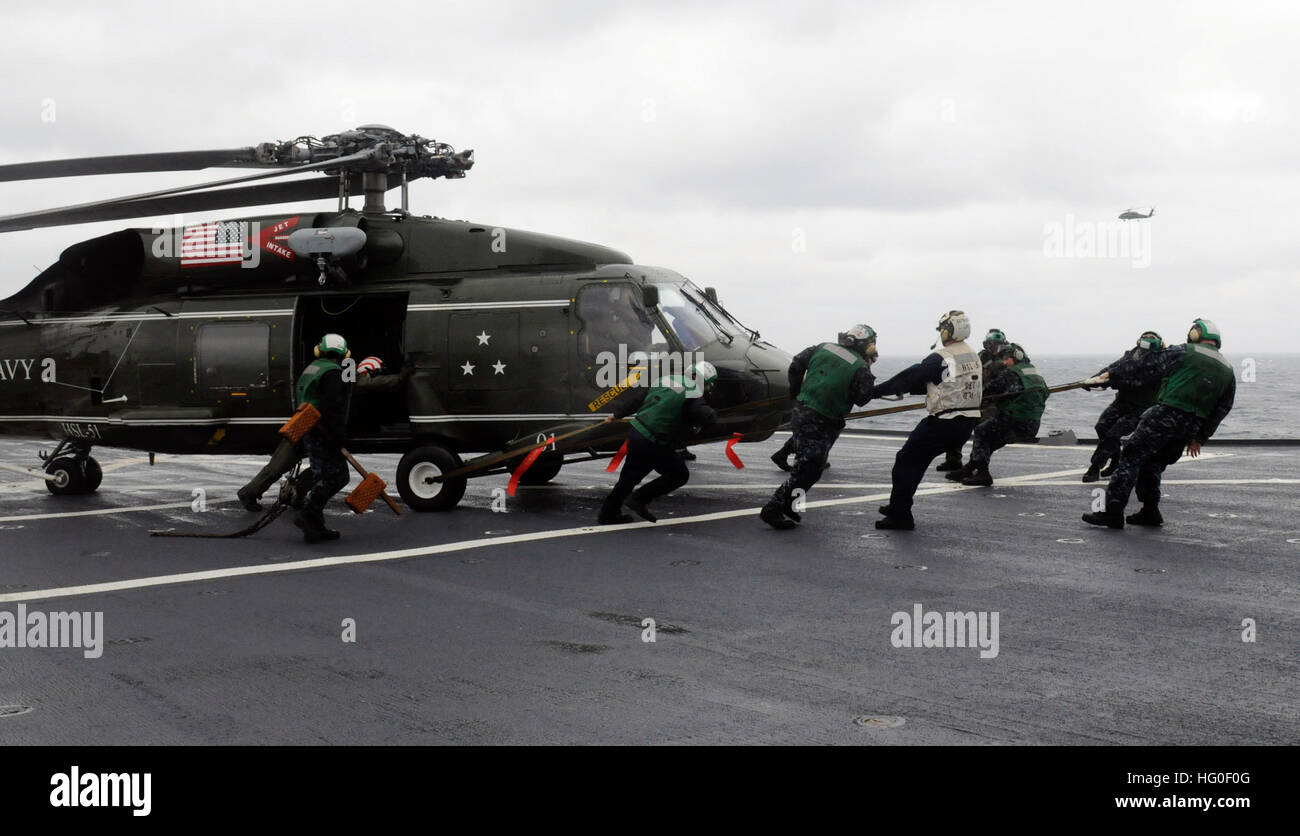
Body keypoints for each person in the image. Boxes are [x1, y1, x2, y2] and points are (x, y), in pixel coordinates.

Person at [1082, 319, 1236, 529]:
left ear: (1195, 334)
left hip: (1165, 415)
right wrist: (1200, 437)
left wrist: (1110, 375)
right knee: (1153, 463)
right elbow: (1222, 408)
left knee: (1131, 457)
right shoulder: (1228, 370)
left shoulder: (1184, 351)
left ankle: (1113, 512)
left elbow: (1146, 364)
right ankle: (1150, 511)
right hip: (1190, 427)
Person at [237, 355, 406, 510]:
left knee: (313, 466)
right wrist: (399, 378)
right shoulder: (346, 372)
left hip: (308, 423)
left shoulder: (322, 368)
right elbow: (367, 384)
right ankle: (250, 492)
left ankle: (294, 494)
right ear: (370, 370)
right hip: (312, 425)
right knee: (286, 465)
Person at [872, 311, 982, 530]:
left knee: (905, 461)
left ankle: (900, 515)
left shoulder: (942, 356)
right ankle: (898, 505)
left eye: (942, 328)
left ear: (948, 330)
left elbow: (912, 376)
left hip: (944, 421)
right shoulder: (972, 355)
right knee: (917, 462)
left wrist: (875, 392)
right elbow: (944, 381)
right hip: (967, 422)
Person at [760, 325, 877, 529]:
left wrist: (796, 391)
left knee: (813, 470)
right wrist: (868, 367)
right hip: (823, 421)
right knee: (806, 469)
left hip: (802, 412)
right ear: (867, 345)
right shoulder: (860, 366)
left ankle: (789, 504)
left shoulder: (822, 347)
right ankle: (772, 509)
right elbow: (863, 399)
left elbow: (796, 364)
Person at [597, 361, 719, 524]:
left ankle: (608, 513)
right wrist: (711, 420)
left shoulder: (665, 379)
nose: (708, 389)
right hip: (654, 440)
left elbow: (638, 399)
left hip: (637, 433)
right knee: (679, 475)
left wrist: (616, 415)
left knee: (629, 477)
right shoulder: (693, 391)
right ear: (698, 377)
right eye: (708, 384)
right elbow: (704, 415)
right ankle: (639, 499)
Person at [945, 342, 1047, 486]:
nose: (1004, 363)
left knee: (981, 432)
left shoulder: (1011, 373)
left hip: (1013, 419)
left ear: (1016, 357)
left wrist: (965, 399)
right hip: (1032, 425)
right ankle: (970, 467)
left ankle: (982, 474)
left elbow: (988, 390)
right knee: (989, 442)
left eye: (1007, 359)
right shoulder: (1035, 374)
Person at [292, 333, 354, 543]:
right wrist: (339, 437)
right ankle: (308, 514)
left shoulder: (313, 368)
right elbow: (332, 408)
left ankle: (315, 525)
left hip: (309, 427)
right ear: (344, 353)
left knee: (321, 476)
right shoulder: (332, 374)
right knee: (337, 477)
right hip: (323, 432)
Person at [1081, 331, 1164, 483]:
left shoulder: (1158, 360)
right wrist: (1093, 379)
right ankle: (1116, 460)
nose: (1148, 340)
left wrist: (1108, 380)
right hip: (1122, 402)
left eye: (1152, 338)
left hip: (1141, 408)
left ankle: (1095, 467)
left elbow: (1133, 376)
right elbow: (1114, 367)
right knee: (1101, 427)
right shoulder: (1132, 354)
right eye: (1146, 337)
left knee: (1113, 434)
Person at [936, 328, 1008, 472]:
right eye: (989, 345)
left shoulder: (1006, 360)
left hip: (992, 402)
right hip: (975, 398)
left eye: (995, 345)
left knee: (982, 432)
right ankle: (953, 459)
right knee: (957, 425)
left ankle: (973, 463)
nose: (992, 348)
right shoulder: (981, 357)